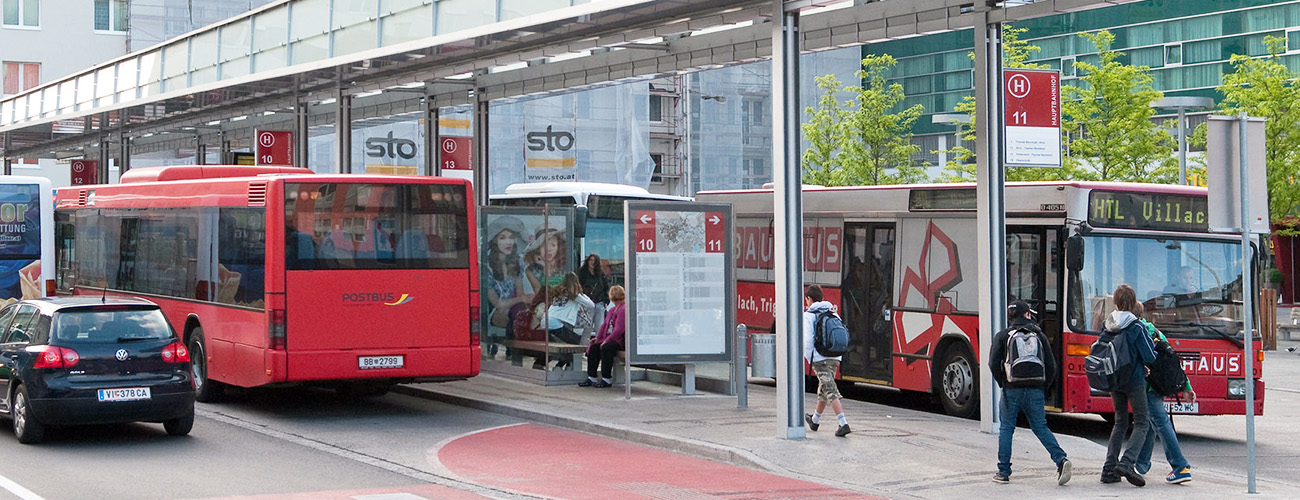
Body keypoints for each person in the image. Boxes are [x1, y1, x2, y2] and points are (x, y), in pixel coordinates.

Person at [989, 300, 1072, 485]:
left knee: (1007, 428)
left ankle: (1003, 472)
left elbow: (993, 364)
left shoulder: (1003, 335)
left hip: (1011, 388)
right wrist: (1043, 386)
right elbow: (1052, 366)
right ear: (1027, 315)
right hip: (1035, 388)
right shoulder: (1039, 335)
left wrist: (1003, 382)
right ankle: (1061, 460)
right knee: (1040, 427)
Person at [1101, 284, 1159, 487]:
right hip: (1134, 380)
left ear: (1115, 302)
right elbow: (1150, 356)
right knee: (1142, 421)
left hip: (1114, 379)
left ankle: (1109, 469)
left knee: (1120, 422)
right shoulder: (1137, 326)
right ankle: (1127, 462)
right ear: (1133, 303)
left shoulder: (1107, 323)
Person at [1133, 302, 1196, 484]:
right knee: (1152, 422)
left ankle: (1180, 466)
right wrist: (1187, 387)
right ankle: (1142, 463)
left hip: (1147, 385)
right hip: (1160, 385)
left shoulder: (1135, 332)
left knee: (1160, 422)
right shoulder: (1154, 331)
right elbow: (1173, 362)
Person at [802, 285, 851, 437]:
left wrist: (810, 358)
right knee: (824, 386)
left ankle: (843, 423)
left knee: (830, 390)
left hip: (820, 358)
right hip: (835, 356)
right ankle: (815, 420)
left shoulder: (808, 316)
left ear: (808, 299)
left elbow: (807, 341)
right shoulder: (833, 313)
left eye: (806, 300)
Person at [482, 216, 530, 356]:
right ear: (494, 241)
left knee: (522, 315)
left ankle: (516, 349)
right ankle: (514, 349)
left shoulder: (518, 262)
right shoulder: (486, 267)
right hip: (495, 312)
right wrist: (521, 300)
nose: (508, 242)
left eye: (511, 237)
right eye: (502, 237)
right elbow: (497, 303)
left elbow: (520, 292)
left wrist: (519, 301)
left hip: (514, 308)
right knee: (517, 316)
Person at [543, 272, 594, 369]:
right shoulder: (574, 295)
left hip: (545, 321)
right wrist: (582, 294)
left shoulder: (558, 292)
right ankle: (561, 366)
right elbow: (591, 305)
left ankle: (564, 365)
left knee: (567, 342)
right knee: (575, 343)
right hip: (554, 323)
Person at [581, 285, 626, 388]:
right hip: (610, 338)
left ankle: (607, 378)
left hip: (619, 340)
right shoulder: (612, 310)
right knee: (594, 347)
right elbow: (604, 325)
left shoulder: (623, 310)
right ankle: (591, 376)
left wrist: (606, 340)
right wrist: (598, 337)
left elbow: (619, 330)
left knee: (606, 348)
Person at [524, 221, 568, 294]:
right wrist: (546, 268)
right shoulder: (531, 271)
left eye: (553, 245)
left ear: (558, 247)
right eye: (544, 246)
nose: (548, 249)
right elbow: (540, 295)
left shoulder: (565, 264)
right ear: (538, 249)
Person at [577, 253, 611, 335]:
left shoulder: (600, 274)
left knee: (599, 327)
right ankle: (585, 345)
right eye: (591, 260)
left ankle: (598, 345)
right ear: (587, 261)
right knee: (587, 327)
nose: (592, 263)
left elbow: (606, 287)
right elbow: (579, 287)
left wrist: (606, 300)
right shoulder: (582, 273)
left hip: (599, 302)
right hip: (587, 303)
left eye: (595, 261)